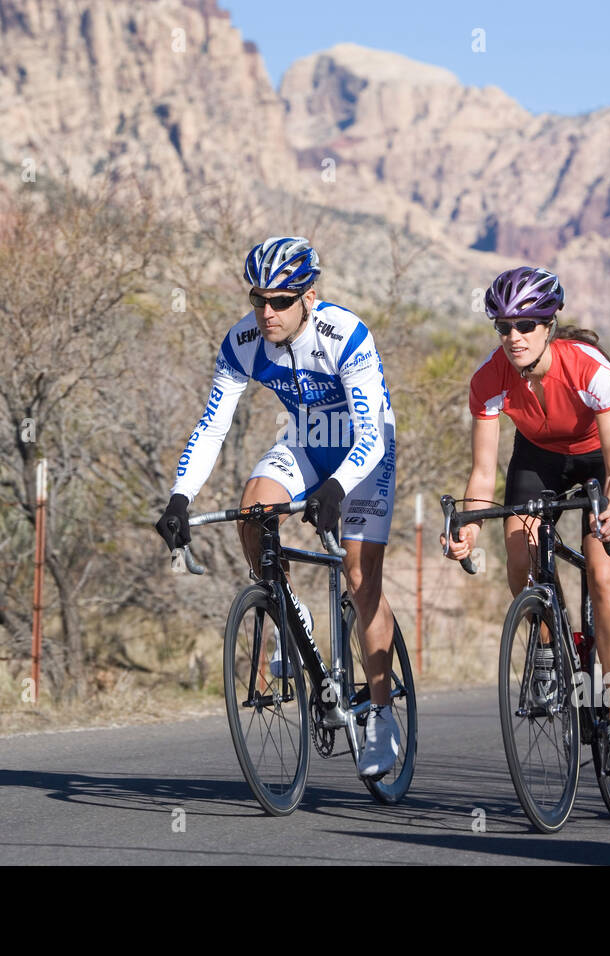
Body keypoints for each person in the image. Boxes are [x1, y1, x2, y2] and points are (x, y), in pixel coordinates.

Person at [154, 236, 402, 779]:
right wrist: (180, 496)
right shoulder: (244, 341)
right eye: (258, 299)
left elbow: (372, 436)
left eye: (282, 301)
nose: (267, 313)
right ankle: (289, 606)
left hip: (365, 451)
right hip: (305, 440)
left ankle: (382, 715)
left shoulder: (346, 335)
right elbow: (213, 425)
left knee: (360, 577)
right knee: (254, 510)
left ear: (309, 297)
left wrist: (336, 489)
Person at [441, 266, 610, 771]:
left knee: (605, 575)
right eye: (504, 327)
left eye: (526, 325)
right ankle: (551, 650)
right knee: (519, 551)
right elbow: (483, 471)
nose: (513, 337)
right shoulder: (489, 379)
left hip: (600, 457)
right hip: (538, 456)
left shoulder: (590, 369)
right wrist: (469, 525)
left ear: (549, 325)